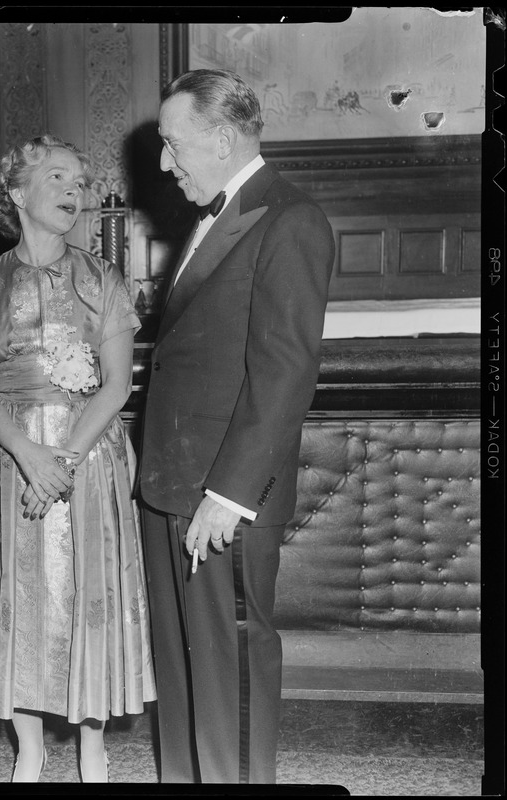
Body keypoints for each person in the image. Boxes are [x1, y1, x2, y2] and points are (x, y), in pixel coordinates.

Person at [0, 134, 156, 783]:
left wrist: (65, 460)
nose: (74, 191)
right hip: (7, 455)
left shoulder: (102, 277)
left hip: (87, 454)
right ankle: (29, 745)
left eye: (79, 181)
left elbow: (116, 383)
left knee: (88, 591)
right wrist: (28, 454)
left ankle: (92, 743)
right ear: (18, 194)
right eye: (57, 178)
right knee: (16, 597)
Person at [137, 69, 335, 784]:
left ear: (219, 139)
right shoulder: (209, 216)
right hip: (171, 482)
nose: (163, 163)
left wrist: (228, 494)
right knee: (183, 662)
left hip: (222, 494)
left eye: (170, 145)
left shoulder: (290, 218)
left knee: (231, 665)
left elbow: (285, 370)